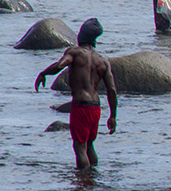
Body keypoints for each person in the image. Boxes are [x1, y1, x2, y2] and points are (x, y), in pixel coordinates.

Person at [35, 18, 117, 170]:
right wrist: (113, 116)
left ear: (81, 36)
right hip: (95, 107)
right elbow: (111, 89)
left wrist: (43, 73)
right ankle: (93, 177)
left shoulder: (75, 53)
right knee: (90, 144)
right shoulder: (103, 61)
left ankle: (83, 181)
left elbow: (60, 65)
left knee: (80, 146)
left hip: (81, 105)